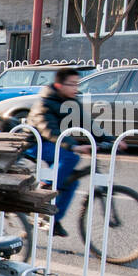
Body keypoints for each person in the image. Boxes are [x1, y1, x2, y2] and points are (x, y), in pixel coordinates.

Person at [26, 66, 90, 236]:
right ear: (60, 85)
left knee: (72, 182)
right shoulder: (44, 102)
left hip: (55, 145)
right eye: (72, 84)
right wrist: (73, 146)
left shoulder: (72, 102)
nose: (76, 88)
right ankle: (47, 185)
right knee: (70, 157)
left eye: (77, 84)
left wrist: (110, 140)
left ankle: (53, 220)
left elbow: (89, 124)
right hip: (35, 144)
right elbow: (50, 130)